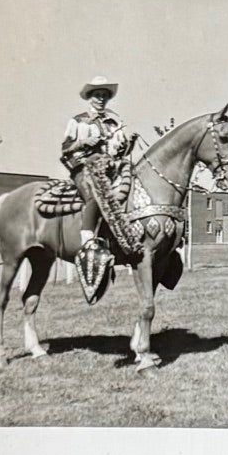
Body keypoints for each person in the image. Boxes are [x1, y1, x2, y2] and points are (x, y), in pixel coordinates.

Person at [60, 76, 137, 302]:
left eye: (105, 96)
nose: (101, 99)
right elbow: (65, 148)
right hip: (84, 166)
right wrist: (83, 144)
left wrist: (127, 144)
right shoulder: (78, 121)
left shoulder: (114, 122)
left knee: (131, 187)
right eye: (97, 95)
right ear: (89, 98)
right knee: (97, 193)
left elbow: (120, 151)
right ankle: (87, 243)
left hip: (110, 166)